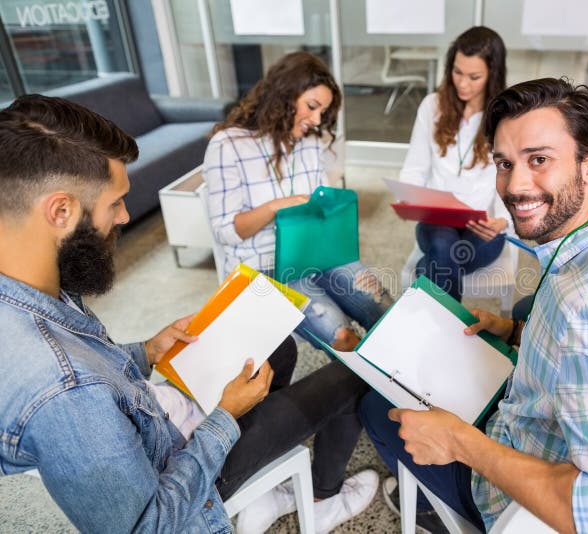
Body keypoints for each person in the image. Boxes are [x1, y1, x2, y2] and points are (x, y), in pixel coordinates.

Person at [0, 94, 379, 533]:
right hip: (187, 476)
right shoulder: (65, 393)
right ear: (60, 211)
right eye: (115, 203)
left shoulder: (32, 286)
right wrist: (225, 418)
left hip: (160, 420)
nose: (125, 216)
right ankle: (323, 499)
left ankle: (261, 478)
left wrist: (145, 351)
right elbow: (152, 526)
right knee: (354, 374)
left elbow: (94, 371)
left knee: (278, 349)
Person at [360, 78, 588, 533]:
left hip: (513, 500)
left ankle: (434, 511)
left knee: (375, 406)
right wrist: (517, 333)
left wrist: (460, 442)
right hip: (529, 419)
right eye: (505, 163)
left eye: (539, 160)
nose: (515, 185)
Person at [204, 51, 392, 351]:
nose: (317, 120)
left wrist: (333, 211)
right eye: (312, 106)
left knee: (382, 306)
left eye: (323, 112)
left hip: (315, 252)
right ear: (284, 96)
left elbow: (320, 208)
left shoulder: (310, 143)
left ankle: (406, 382)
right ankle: (374, 394)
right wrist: (274, 207)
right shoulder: (228, 145)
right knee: (338, 332)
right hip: (261, 265)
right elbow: (225, 230)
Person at [399, 26, 513, 301]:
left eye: (474, 77)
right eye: (457, 72)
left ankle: (430, 304)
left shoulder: (506, 114)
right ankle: (453, 330)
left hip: (484, 224)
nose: (463, 84)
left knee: (435, 263)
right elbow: (415, 168)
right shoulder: (432, 106)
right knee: (442, 244)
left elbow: (512, 176)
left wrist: (503, 221)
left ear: (492, 76)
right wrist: (411, 199)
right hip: (437, 220)